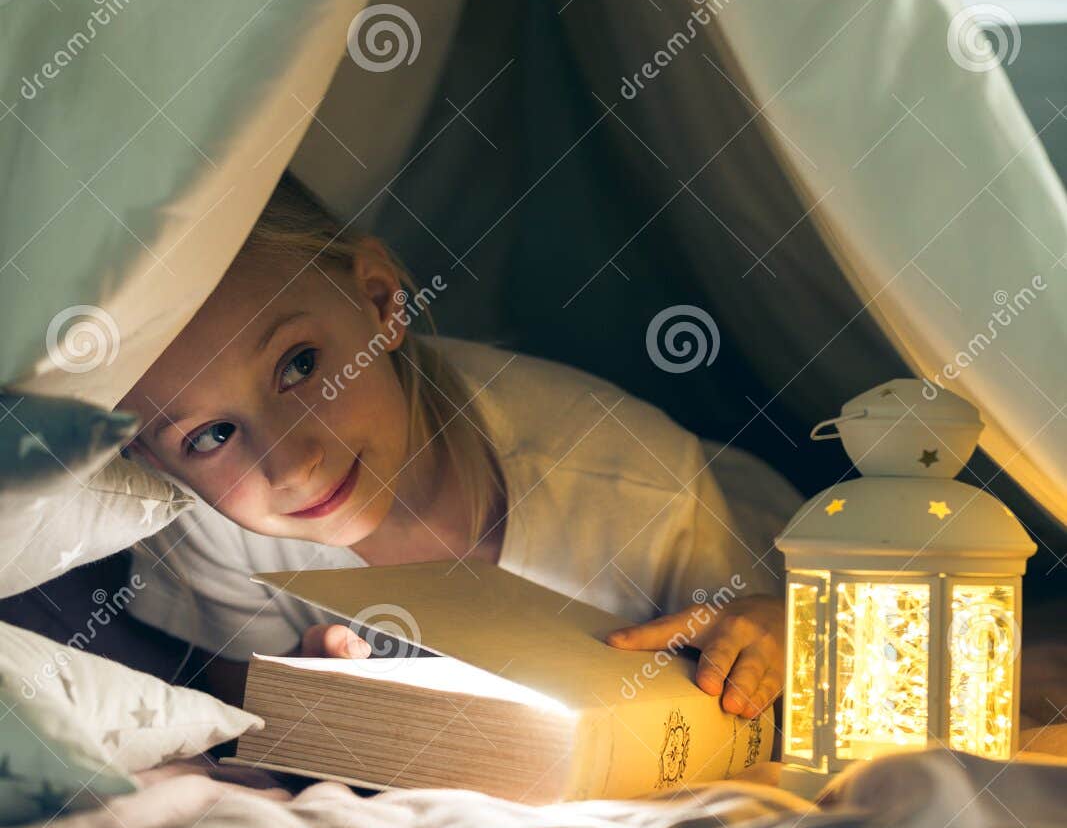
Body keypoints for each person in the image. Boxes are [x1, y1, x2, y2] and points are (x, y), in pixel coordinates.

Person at [119, 176, 801, 718]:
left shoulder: (632, 484)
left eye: (299, 365)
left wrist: (772, 633)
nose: (293, 464)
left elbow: (770, 649)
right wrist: (304, 691)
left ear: (379, 299)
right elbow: (234, 678)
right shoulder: (191, 513)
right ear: (153, 457)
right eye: (212, 435)